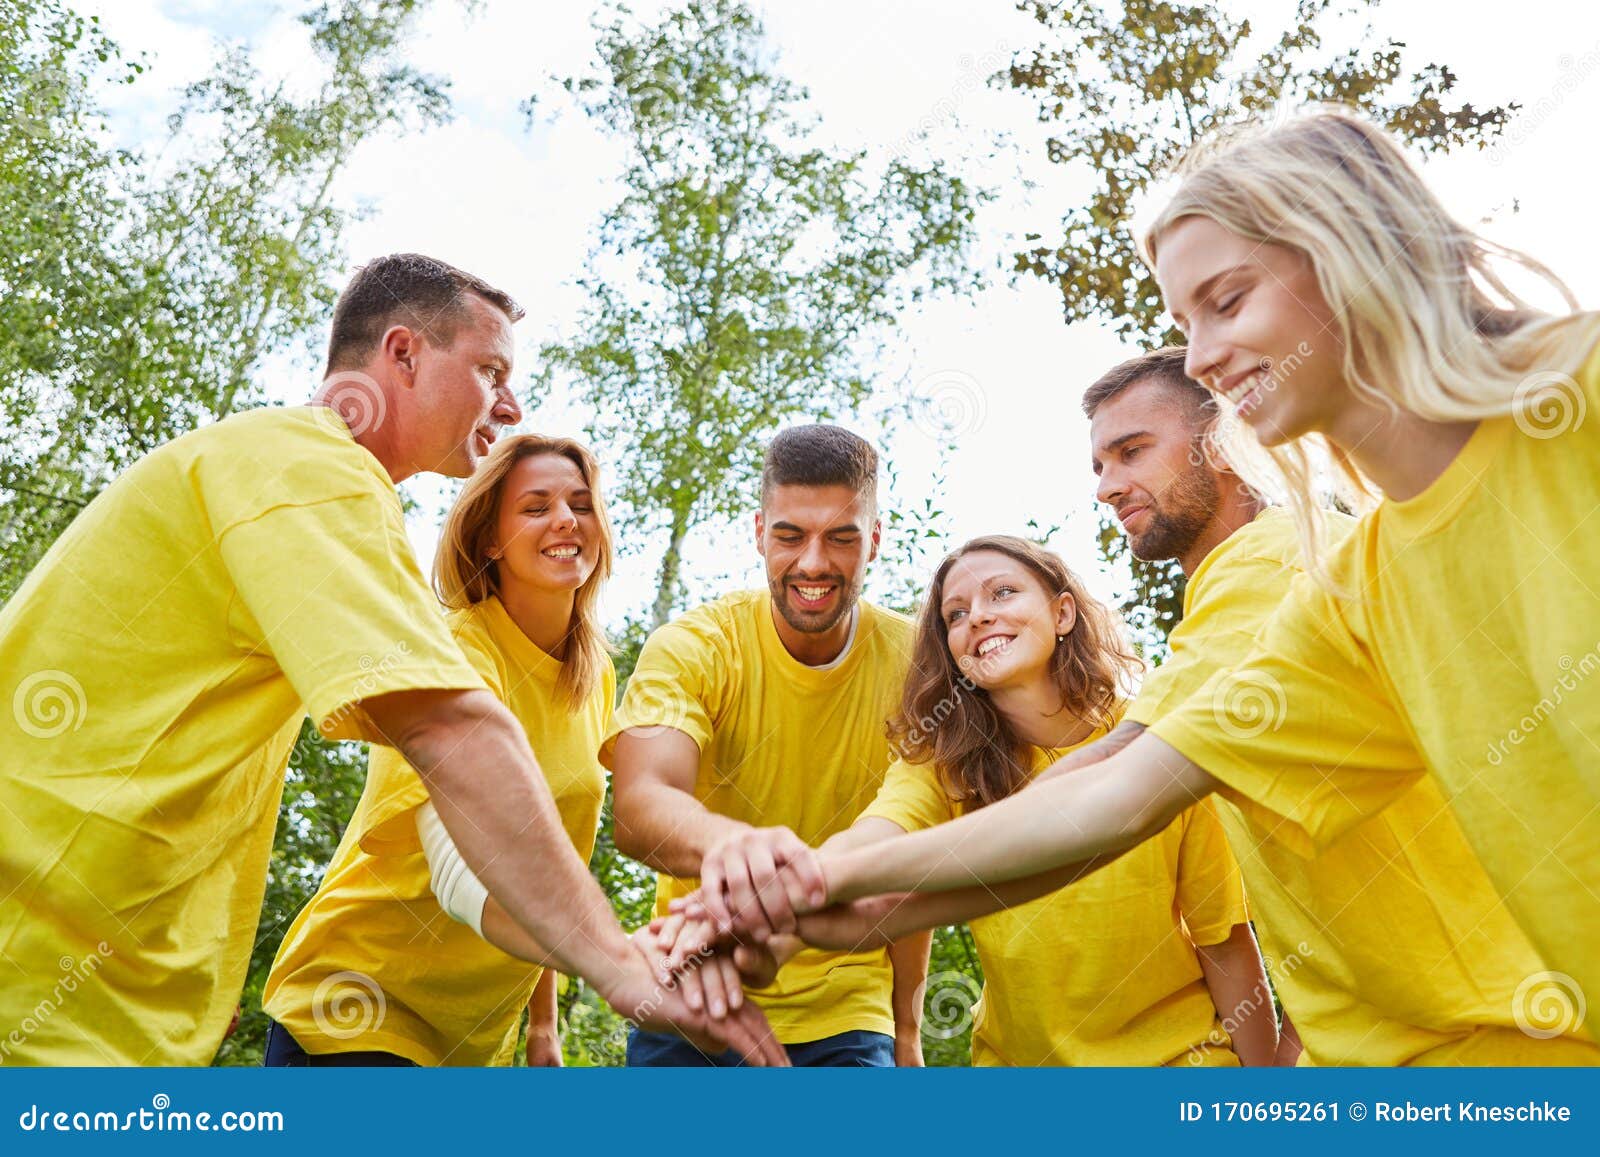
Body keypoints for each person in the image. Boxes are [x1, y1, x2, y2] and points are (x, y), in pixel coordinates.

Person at [770, 109, 1600, 1042]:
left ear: (1351, 251)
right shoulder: (1349, 593)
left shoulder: (1574, 397)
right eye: (1183, 321)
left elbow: (1121, 788)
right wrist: (825, 888)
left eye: (1229, 300)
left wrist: (838, 888)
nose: (1202, 355)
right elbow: (1117, 795)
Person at [0, 254, 781, 1066]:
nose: (509, 405)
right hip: (42, 968)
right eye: (490, 371)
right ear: (402, 354)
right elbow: (455, 735)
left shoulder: (290, 473)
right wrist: (622, 960)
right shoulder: (310, 470)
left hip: (91, 984)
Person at [1084, 346, 1596, 1063]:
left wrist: (901, 870)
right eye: (1099, 467)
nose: (1107, 486)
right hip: (1407, 1042)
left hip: (1484, 1044)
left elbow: (1116, 771)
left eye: (1131, 451)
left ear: (1224, 445)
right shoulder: (1284, 565)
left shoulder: (1269, 562)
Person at [814, 535, 1274, 1066]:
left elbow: (1224, 939)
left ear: (1062, 614)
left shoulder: (1158, 737)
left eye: (1002, 593)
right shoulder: (944, 764)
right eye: (956, 614)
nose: (978, 618)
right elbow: (877, 834)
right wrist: (803, 877)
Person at [606, 425, 927, 1066]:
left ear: (876, 540)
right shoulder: (696, 645)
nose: (813, 563)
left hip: (847, 1012)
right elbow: (641, 807)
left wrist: (908, 1029)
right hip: (692, 987)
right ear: (759, 533)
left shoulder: (920, 666)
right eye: (789, 536)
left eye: (841, 538)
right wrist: (737, 847)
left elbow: (915, 856)